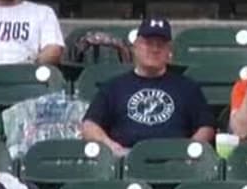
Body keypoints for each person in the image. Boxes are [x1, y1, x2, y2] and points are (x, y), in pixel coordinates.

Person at [81, 17, 216, 154]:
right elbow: (89, 125)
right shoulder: (114, 87)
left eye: (161, 44)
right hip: (126, 159)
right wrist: (111, 147)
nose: (155, 49)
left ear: (169, 51)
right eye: (148, 43)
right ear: (136, 47)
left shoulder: (187, 87)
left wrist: (188, 151)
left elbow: (206, 127)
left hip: (175, 160)